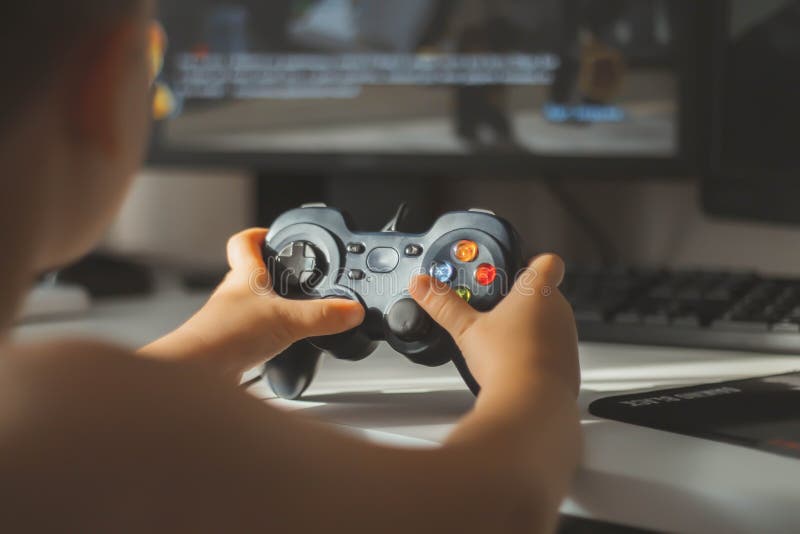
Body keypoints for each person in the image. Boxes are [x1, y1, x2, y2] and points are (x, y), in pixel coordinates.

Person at [0, 1, 582, 532]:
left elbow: (100, 414)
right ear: (100, 91)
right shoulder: (56, 418)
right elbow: (494, 507)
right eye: (148, 59)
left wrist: (210, 342)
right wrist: (534, 380)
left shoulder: (48, 410)